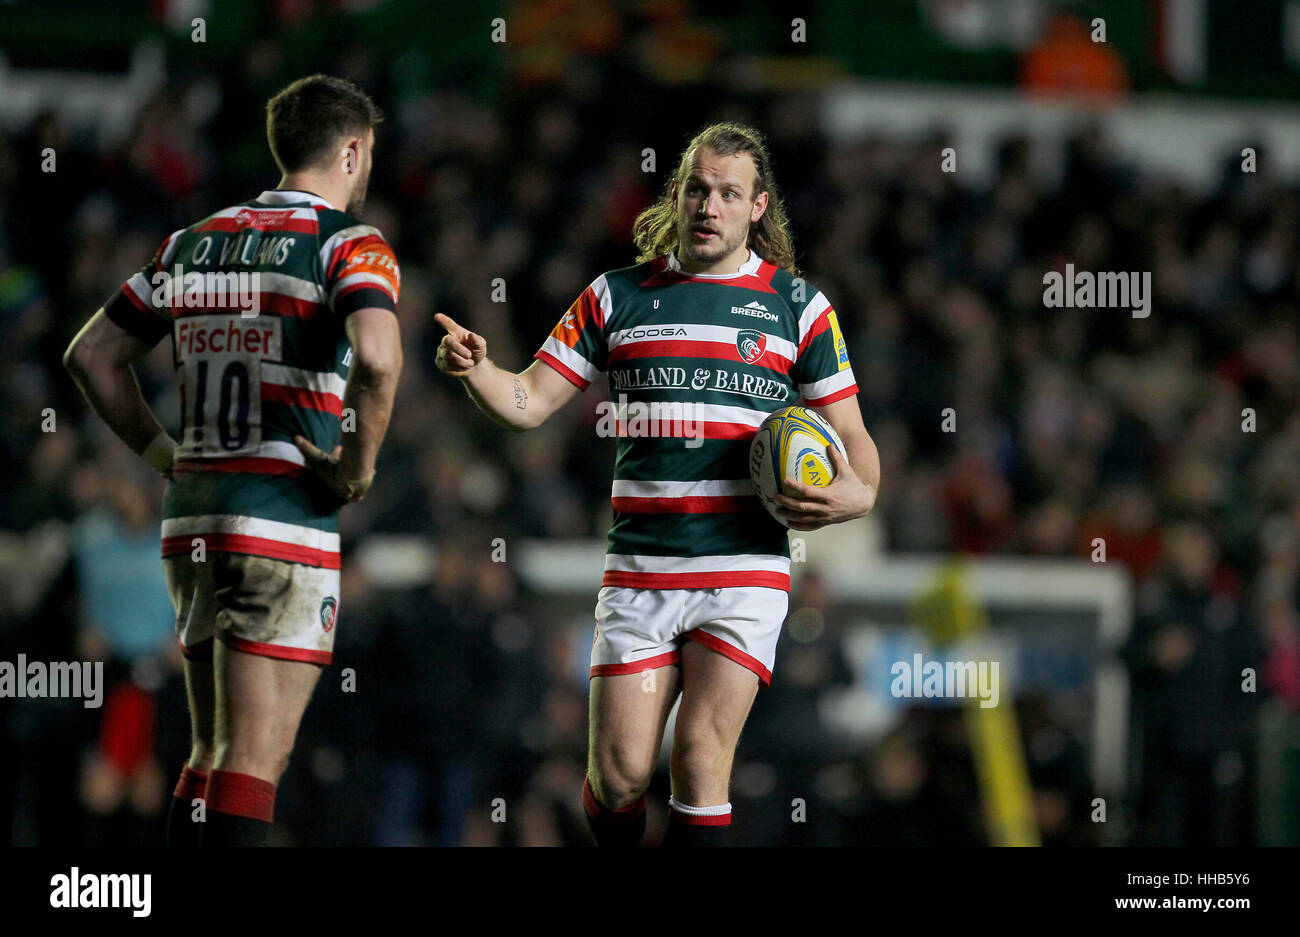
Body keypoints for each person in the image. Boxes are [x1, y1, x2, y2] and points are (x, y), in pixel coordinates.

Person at [436, 122, 880, 845]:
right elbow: (528, 401)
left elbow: (858, 443)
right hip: (641, 570)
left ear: (757, 207)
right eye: (697, 189)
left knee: (701, 760)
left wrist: (857, 494)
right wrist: (476, 370)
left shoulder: (799, 308)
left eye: (728, 193)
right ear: (677, 194)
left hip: (743, 570)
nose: (709, 205)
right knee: (620, 774)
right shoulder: (616, 297)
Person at [63, 74, 402, 846]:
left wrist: (163, 453)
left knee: (212, 750)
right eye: (370, 153)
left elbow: (91, 356)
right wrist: (355, 466)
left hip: (193, 517)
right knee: (256, 756)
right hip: (280, 519)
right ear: (351, 150)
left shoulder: (194, 240)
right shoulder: (349, 244)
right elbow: (379, 360)